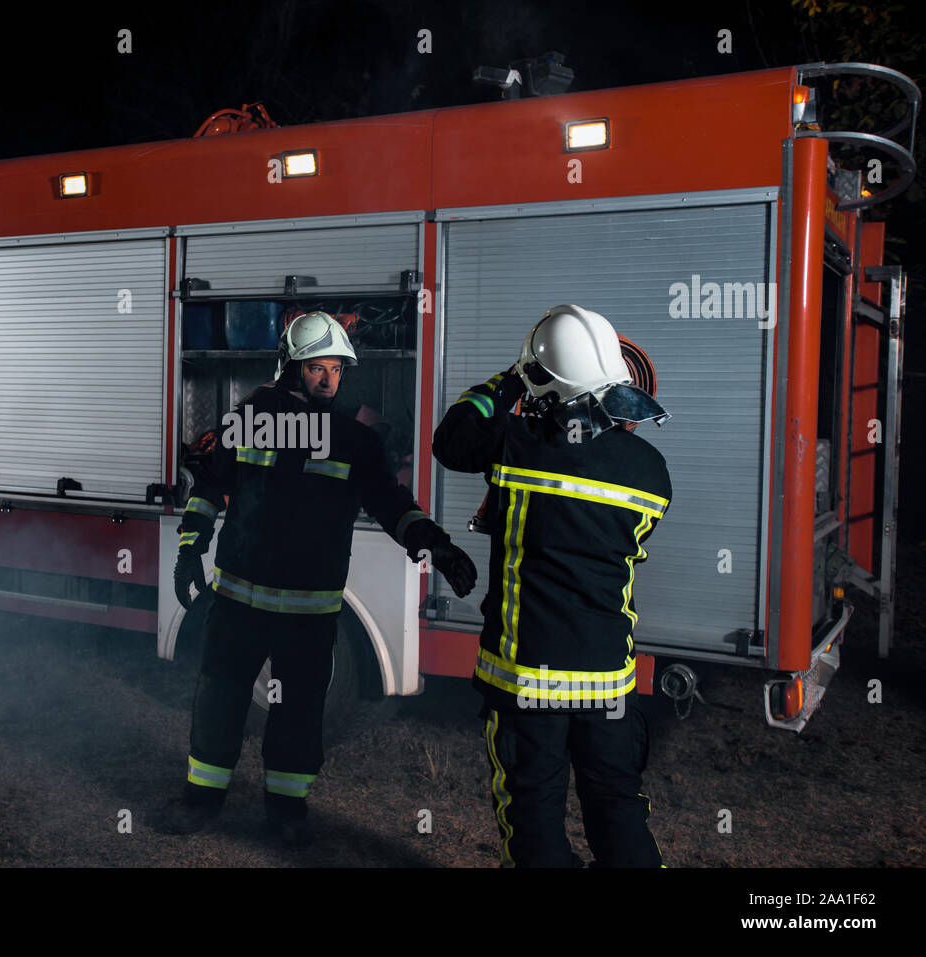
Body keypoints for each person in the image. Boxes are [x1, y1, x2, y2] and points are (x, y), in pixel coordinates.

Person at [159, 311, 477, 845]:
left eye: (336, 369)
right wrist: (190, 551)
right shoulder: (250, 419)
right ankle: (201, 800)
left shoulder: (356, 442)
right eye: (317, 369)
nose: (329, 380)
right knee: (220, 698)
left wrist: (435, 545)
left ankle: (286, 811)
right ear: (291, 368)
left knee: (299, 712)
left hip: (309, 610)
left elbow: (391, 502)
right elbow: (209, 488)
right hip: (238, 598)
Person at [432, 304, 672, 868]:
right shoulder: (651, 471)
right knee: (617, 807)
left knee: (533, 814)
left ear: (546, 378)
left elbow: (453, 440)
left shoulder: (517, 445)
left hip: (526, 682)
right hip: (609, 683)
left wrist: (510, 378)